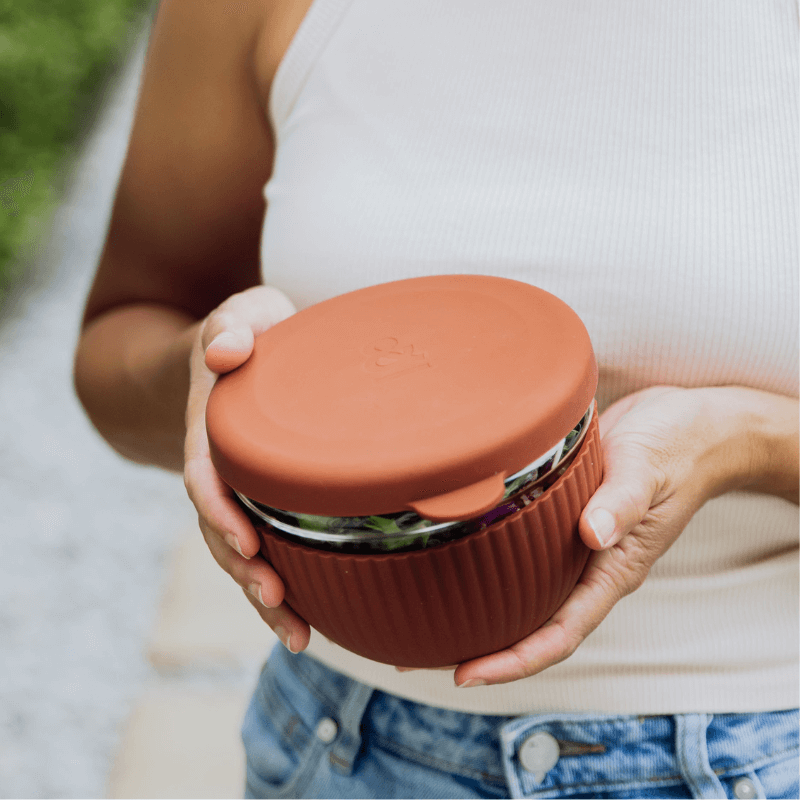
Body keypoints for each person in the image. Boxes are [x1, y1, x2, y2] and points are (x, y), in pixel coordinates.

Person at [74, 1, 798, 797]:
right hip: (354, 750)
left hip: (766, 744)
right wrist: (209, 377)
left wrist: (749, 442)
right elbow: (120, 338)